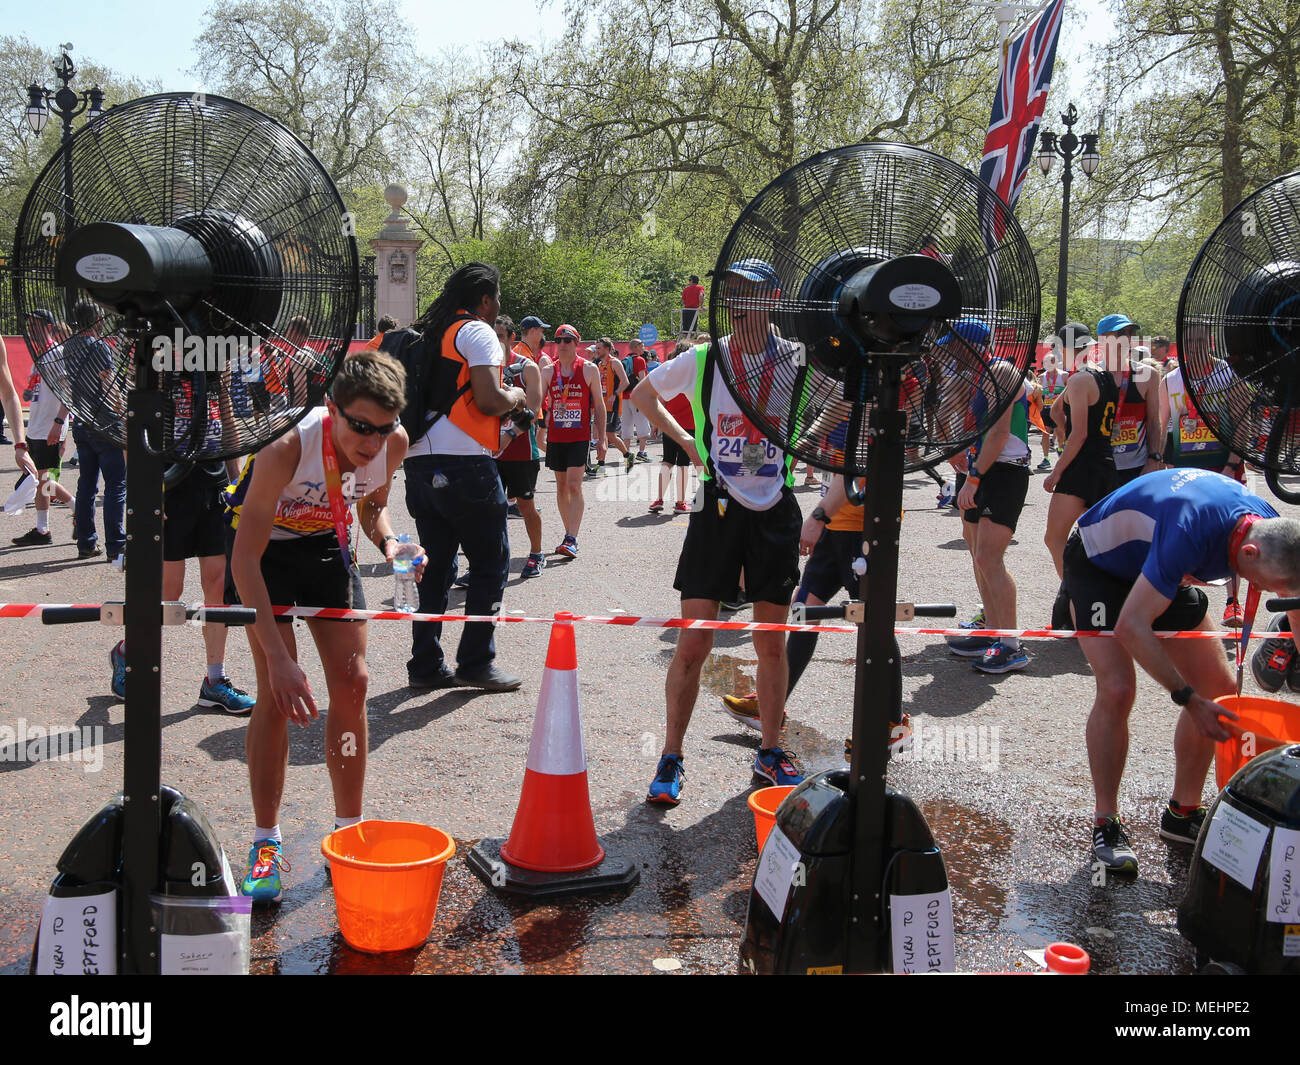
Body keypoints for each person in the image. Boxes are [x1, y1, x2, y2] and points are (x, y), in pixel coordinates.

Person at [226, 349, 421, 901]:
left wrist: (394, 544)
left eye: (382, 430)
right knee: (274, 689)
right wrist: (280, 659)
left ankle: (347, 832)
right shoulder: (288, 443)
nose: (371, 442)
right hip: (264, 554)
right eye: (360, 427)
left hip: (327, 546)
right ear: (332, 409)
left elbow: (371, 507)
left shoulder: (392, 443)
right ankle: (266, 843)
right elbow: (243, 562)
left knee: (354, 683)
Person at [1054, 468, 1300, 875]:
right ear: (1250, 555)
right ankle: (1106, 821)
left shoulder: (1267, 523)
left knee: (1218, 690)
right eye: (1268, 585)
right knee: (1118, 688)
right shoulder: (1191, 532)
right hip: (1099, 565)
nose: (1271, 592)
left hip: (1158, 560)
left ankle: (1182, 813)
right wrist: (1186, 697)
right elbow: (1131, 626)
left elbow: (1294, 601)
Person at [632, 257, 804, 804]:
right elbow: (642, 395)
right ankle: (671, 756)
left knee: (770, 646)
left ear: (773, 297)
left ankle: (771, 752)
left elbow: (843, 399)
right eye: (731, 293)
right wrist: (686, 441)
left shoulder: (799, 359)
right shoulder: (708, 357)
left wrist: (812, 445)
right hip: (717, 506)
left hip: (776, 507)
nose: (738, 302)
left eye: (750, 292)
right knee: (694, 641)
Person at [402, 262, 528, 691]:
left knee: (434, 568)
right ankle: (475, 661)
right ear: (486, 299)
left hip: (418, 461)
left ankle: (424, 664)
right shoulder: (476, 332)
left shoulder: (426, 333)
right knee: (491, 563)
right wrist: (516, 394)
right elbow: (491, 400)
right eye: (497, 302)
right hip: (465, 464)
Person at [947, 357, 1035, 673]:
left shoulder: (1001, 372)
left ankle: (1011, 646)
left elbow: (998, 433)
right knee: (977, 554)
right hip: (981, 466)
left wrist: (973, 479)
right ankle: (993, 633)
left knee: (989, 558)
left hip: (1004, 470)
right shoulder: (971, 374)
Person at [1042, 323, 1118, 578]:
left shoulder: (1078, 380)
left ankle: (1074, 597)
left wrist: (1056, 471)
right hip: (1107, 465)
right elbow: (1056, 410)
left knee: (1054, 539)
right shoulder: (1104, 376)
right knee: (1099, 545)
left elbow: (1080, 433)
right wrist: (1062, 425)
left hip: (1082, 466)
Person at [65, 300, 128, 563]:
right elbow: (108, 385)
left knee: (86, 484)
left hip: (81, 420)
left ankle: (86, 541)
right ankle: (116, 544)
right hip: (105, 422)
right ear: (96, 319)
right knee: (116, 485)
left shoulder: (69, 346)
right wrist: (123, 414)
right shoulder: (100, 347)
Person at [540, 324, 605, 558]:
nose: (563, 344)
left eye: (568, 340)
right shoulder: (548, 372)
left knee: (574, 484)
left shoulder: (589, 369)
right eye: (559, 340)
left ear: (576, 343)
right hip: (557, 437)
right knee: (561, 486)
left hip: (579, 436)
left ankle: (571, 537)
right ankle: (569, 534)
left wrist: (603, 438)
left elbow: (599, 405)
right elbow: (539, 403)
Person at [10, 311, 73, 546]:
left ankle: (46, 528)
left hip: (49, 428)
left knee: (43, 479)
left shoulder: (57, 353)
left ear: (48, 326)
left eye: (35, 324)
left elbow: (69, 392)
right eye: (29, 324)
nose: (31, 328)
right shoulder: (41, 354)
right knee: (40, 480)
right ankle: (48, 526)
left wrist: (59, 425)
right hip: (36, 426)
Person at [496, 315, 546, 578]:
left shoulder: (527, 367)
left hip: (520, 450)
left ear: (512, 338)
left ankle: (536, 554)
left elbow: (533, 410)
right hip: (490, 451)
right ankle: (487, 564)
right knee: (487, 510)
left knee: (526, 507)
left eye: (500, 336)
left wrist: (510, 431)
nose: (495, 341)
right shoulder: (483, 366)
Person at [1097, 315, 1164, 486]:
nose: (1127, 338)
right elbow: (1059, 412)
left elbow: (1155, 422)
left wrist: (1154, 459)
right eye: (1120, 333)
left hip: (1138, 470)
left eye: (1130, 332)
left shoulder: (1148, 375)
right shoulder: (1089, 376)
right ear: (1103, 339)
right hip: (1099, 468)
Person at [650, 342, 695, 513]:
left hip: (669, 425)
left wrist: (656, 423)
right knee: (683, 465)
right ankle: (680, 502)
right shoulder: (695, 374)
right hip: (689, 427)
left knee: (667, 461)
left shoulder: (670, 375)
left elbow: (661, 401)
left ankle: (659, 499)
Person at [588, 338, 631, 471]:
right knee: (603, 434)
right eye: (596, 348)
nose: (596, 350)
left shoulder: (615, 363)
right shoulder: (600, 364)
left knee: (609, 434)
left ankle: (628, 456)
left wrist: (614, 395)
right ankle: (601, 464)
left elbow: (625, 382)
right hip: (601, 404)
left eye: (599, 348)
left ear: (607, 349)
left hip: (612, 404)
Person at [1037, 349, 1069, 468]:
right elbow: (1039, 394)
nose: (1049, 364)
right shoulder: (1041, 377)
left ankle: (1060, 450)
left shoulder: (1064, 375)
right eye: (1046, 362)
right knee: (1045, 433)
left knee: (1061, 433)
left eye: (1051, 362)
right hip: (1046, 409)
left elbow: (1069, 392)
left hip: (1060, 409)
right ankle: (1046, 459)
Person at [621, 339, 651, 460]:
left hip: (624, 397)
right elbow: (643, 379)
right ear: (636, 347)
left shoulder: (624, 360)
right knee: (642, 422)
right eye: (642, 345)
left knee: (626, 424)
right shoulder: (640, 360)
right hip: (636, 397)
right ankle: (641, 452)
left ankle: (627, 453)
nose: (643, 347)